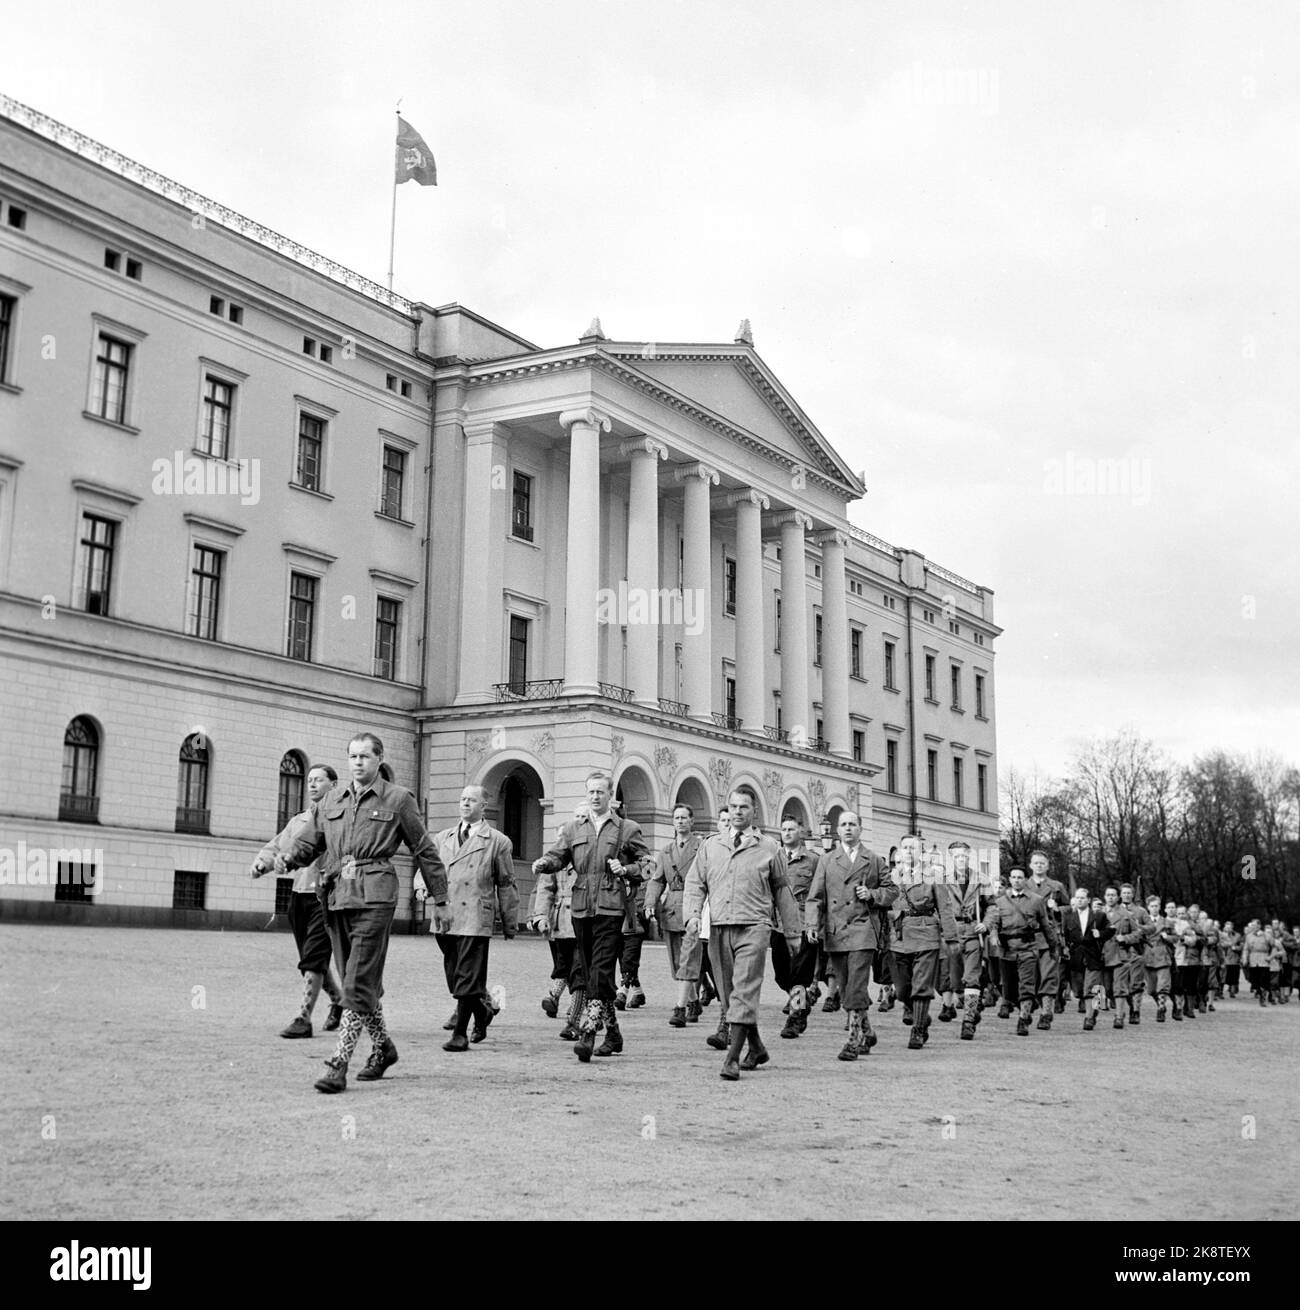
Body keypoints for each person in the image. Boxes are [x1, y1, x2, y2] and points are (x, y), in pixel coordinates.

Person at [280, 732, 448, 1094]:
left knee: (355, 980)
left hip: (376, 894)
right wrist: (283, 858)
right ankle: (384, 1049)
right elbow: (311, 842)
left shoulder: (399, 799)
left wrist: (442, 899)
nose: (358, 763)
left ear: (379, 759)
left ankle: (338, 1063)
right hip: (338, 895)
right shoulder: (332, 800)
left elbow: (425, 849)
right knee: (359, 978)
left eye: (365, 757)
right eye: (353, 756)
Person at [531, 772, 650, 1063]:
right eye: (591, 792)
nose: (595, 796)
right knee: (588, 968)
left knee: (600, 967)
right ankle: (613, 1033)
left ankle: (588, 1030)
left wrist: (627, 870)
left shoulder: (626, 829)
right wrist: (545, 863)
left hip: (611, 907)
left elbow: (646, 865)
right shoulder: (573, 828)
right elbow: (559, 856)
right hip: (581, 907)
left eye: (600, 791)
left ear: (611, 796)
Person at [684, 787, 800, 1080]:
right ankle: (757, 1046)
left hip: (754, 926)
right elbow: (695, 883)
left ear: (754, 812)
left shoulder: (769, 848)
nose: (738, 811)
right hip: (719, 926)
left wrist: (792, 931)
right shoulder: (711, 846)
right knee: (728, 995)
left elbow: (783, 891)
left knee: (745, 991)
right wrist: (693, 915)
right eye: (733, 806)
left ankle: (732, 1058)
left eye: (744, 807)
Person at [420, 785, 518, 1052]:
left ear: (483, 806)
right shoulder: (443, 838)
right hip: (446, 914)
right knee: (455, 975)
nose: (465, 804)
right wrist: (421, 886)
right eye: (462, 799)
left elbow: (506, 883)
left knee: (466, 974)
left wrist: (510, 921)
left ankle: (460, 1034)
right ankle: (483, 1010)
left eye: (472, 800)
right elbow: (430, 866)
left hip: (476, 915)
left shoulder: (497, 841)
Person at [250, 763, 344, 1039]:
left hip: (326, 897)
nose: (312, 785)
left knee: (314, 957)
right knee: (310, 958)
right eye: (310, 780)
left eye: (319, 780)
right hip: (298, 896)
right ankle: (338, 1001)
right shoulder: (299, 820)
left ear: (334, 785)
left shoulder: (341, 819)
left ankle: (303, 1017)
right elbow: (277, 847)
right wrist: (261, 864)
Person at [805, 811, 895, 1060]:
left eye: (852, 824)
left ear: (860, 829)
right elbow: (815, 897)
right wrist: (812, 924)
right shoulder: (826, 860)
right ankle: (868, 1030)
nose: (847, 828)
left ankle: (853, 1040)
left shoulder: (874, 859)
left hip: (863, 929)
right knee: (844, 989)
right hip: (835, 931)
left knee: (856, 984)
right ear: (837, 829)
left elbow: (892, 890)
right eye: (843, 824)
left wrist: (873, 895)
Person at [888, 835, 954, 1049]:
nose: (908, 851)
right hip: (898, 935)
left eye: (913, 848)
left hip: (925, 932)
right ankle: (920, 1015)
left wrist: (951, 937)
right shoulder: (892, 876)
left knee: (922, 984)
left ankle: (917, 1029)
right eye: (904, 847)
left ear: (921, 852)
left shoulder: (933, 875)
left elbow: (944, 907)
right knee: (902, 988)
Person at [531, 808, 587, 1039]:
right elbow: (545, 888)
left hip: (586, 919)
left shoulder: (591, 852)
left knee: (579, 971)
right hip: (561, 924)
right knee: (564, 966)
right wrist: (540, 917)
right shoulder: (557, 857)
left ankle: (574, 1019)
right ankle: (594, 1013)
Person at [982, 867, 1058, 1036]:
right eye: (1014, 877)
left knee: (1027, 985)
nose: (1017, 880)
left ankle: (1023, 1019)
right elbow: (994, 923)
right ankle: (1023, 1007)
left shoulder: (1036, 901)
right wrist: (993, 937)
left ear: (1025, 880)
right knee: (1009, 988)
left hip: (1028, 948)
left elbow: (1046, 925)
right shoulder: (1000, 901)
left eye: (1020, 877)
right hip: (1007, 949)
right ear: (1010, 879)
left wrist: (1054, 947)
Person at [770, 817, 821, 1039]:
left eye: (792, 829)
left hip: (803, 922)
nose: (787, 833)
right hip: (779, 924)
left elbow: (820, 894)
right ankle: (799, 1001)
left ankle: (796, 1015)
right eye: (784, 829)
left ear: (800, 832)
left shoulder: (813, 861)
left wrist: (816, 923)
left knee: (800, 973)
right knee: (782, 975)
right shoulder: (774, 858)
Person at [936, 840, 989, 1040]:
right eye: (957, 856)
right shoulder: (942, 881)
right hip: (951, 932)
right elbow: (936, 906)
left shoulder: (981, 880)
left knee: (972, 976)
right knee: (955, 979)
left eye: (965, 855)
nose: (961, 859)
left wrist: (986, 923)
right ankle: (970, 1008)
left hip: (973, 930)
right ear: (951, 858)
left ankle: (968, 1022)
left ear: (970, 857)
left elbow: (991, 906)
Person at [1060, 886, 1112, 1029]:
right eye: (1077, 898)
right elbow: (1065, 935)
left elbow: (1110, 930)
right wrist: (1065, 949)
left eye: (1082, 898)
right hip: (1076, 956)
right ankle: (1095, 1008)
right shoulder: (1069, 917)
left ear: (1088, 900)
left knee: (1091, 987)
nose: (1079, 900)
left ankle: (1089, 1017)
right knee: (1079, 990)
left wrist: (1100, 935)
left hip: (1093, 955)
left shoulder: (1098, 916)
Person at [1026, 849, 1069, 1019]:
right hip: (1027, 936)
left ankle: (1046, 1012)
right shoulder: (1023, 885)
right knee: (1029, 976)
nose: (1039, 866)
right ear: (1030, 865)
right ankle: (1029, 1007)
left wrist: (1057, 908)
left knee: (1049, 975)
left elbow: (1069, 907)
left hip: (1049, 936)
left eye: (1042, 863)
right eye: (1036, 863)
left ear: (1048, 866)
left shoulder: (1056, 887)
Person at [1140, 895, 1176, 1022]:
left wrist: (1168, 938)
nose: (1154, 908)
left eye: (1156, 906)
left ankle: (1161, 1009)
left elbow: (1176, 937)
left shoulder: (1167, 922)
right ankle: (1160, 1004)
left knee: (1163, 985)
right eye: (1152, 906)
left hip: (1162, 955)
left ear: (1160, 907)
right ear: (1148, 908)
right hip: (1148, 956)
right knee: (1150, 989)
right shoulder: (1143, 923)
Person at [1221, 920, 1242, 998]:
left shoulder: (1237, 936)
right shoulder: (1221, 935)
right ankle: (1220, 991)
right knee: (1223, 976)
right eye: (1227, 927)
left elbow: (1241, 946)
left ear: (1232, 927)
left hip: (1234, 958)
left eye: (1230, 927)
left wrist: (1236, 948)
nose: (1228, 928)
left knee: (1234, 975)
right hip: (1224, 957)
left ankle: (1232, 991)